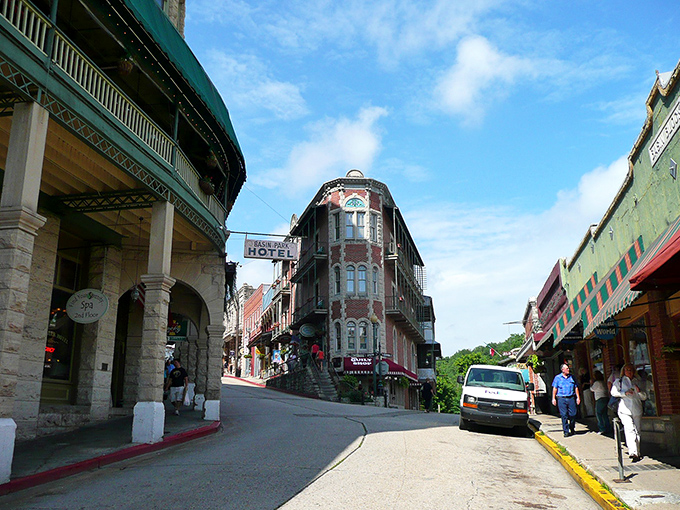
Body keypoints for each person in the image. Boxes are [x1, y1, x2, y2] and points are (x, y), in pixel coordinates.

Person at [611, 363, 647, 462]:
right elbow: (613, 392)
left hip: (637, 409)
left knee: (637, 430)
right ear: (624, 371)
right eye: (627, 370)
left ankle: (637, 451)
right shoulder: (619, 381)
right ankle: (633, 452)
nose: (629, 372)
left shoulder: (638, 381)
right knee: (629, 428)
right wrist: (624, 393)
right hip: (624, 410)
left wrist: (639, 392)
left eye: (631, 370)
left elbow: (644, 397)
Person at [551, 363, 581, 437]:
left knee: (573, 414)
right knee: (564, 415)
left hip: (571, 398)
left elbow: (576, 387)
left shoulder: (572, 377)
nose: (568, 370)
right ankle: (566, 431)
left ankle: (572, 427)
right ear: (562, 370)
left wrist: (578, 397)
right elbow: (555, 388)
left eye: (568, 368)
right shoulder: (557, 378)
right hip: (561, 398)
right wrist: (553, 398)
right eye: (567, 368)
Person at [590, 371, 611, 435]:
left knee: (599, 414)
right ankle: (608, 428)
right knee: (604, 414)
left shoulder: (597, 383)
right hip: (605, 398)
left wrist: (591, 383)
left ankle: (602, 428)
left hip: (600, 399)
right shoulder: (603, 382)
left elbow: (592, 389)